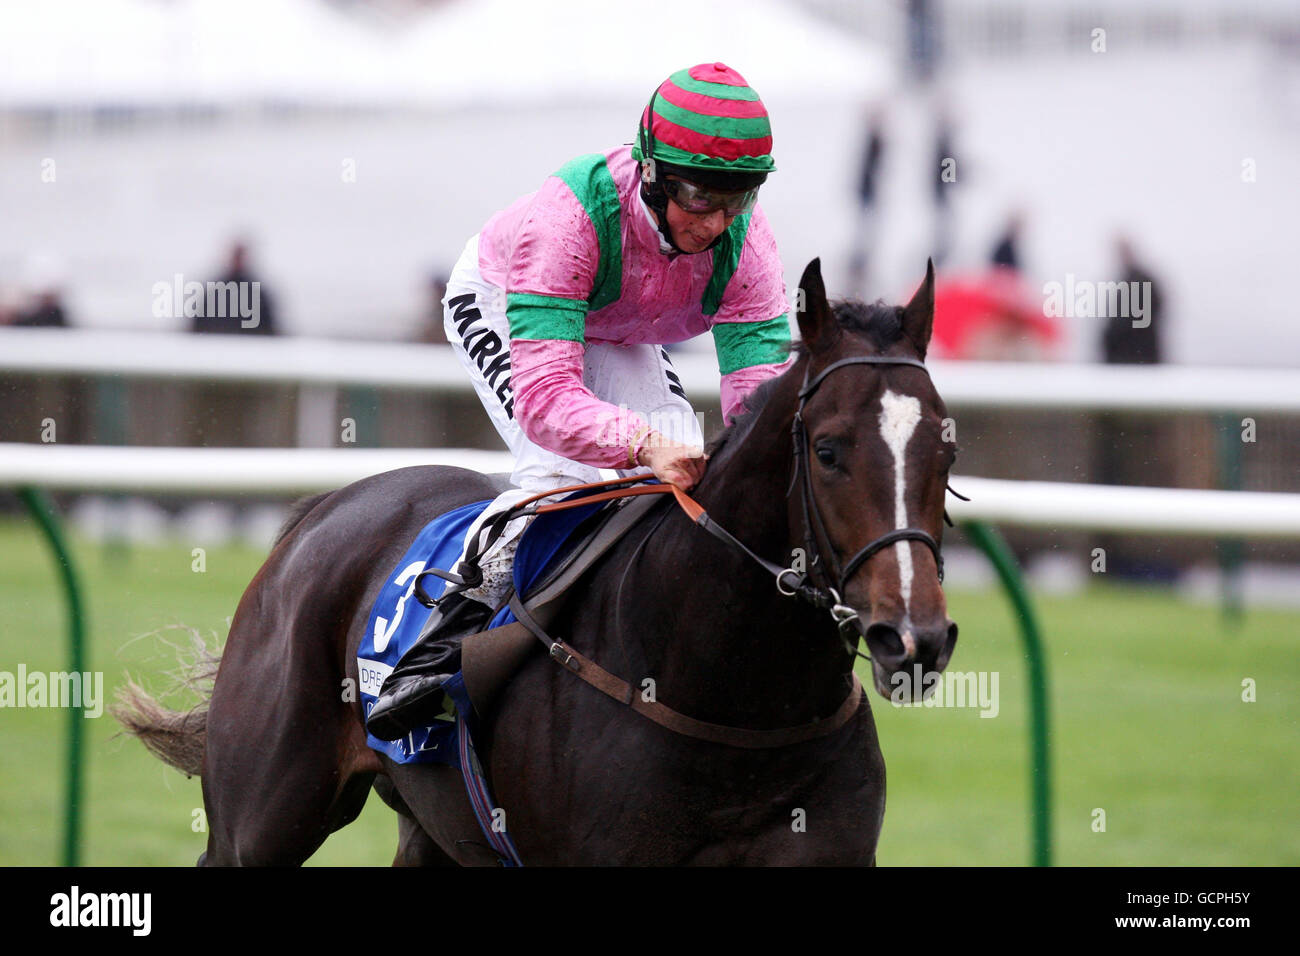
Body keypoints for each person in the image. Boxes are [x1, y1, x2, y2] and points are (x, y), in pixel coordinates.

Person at [367, 62, 794, 740]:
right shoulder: (570, 217)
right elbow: (545, 400)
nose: (715, 223)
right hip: (507, 300)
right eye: (698, 198)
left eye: (736, 200)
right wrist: (641, 444)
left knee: (684, 476)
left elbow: (759, 403)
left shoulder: (748, 242)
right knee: (565, 477)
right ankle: (439, 652)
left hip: (616, 321)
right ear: (651, 171)